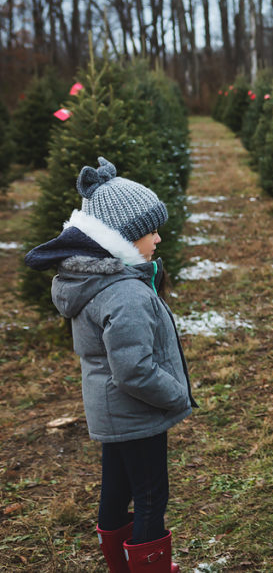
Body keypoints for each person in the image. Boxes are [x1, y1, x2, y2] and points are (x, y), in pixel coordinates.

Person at [25, 157, 195, 573]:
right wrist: (175, 396)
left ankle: (122, 565)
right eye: (149, 231)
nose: (158, 238)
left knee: (117, 488)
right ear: (121, 238)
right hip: (136, 413)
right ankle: (149, 567)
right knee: (152, 494)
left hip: (110, 413)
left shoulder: (94, 281)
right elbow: (134, 369)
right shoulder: (125, 294)